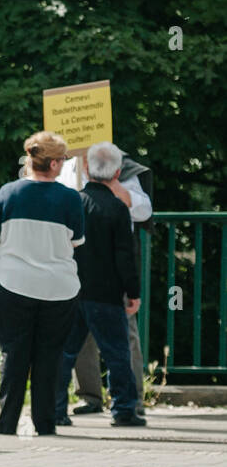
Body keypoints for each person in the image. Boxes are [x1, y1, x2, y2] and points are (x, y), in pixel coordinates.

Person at [0, 131, 84, 436]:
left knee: (15, 355)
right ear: (53, 163)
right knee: (49, 356)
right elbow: (76, 242)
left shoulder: (9, 193)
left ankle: (7, 422)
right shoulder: (70, 198)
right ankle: (45, 422)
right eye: (63, 160)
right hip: (59, 289)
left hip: (13, 285)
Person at [56, 142, 145, 428]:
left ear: (85, 168)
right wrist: (133, 292)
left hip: (71, 290)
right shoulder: (118, 209)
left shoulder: (71, 205)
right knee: (117, 353)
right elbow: (125, 256)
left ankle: (55, 409)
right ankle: (123, 410)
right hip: (106, 294)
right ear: (118, 172)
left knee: (64, 352)